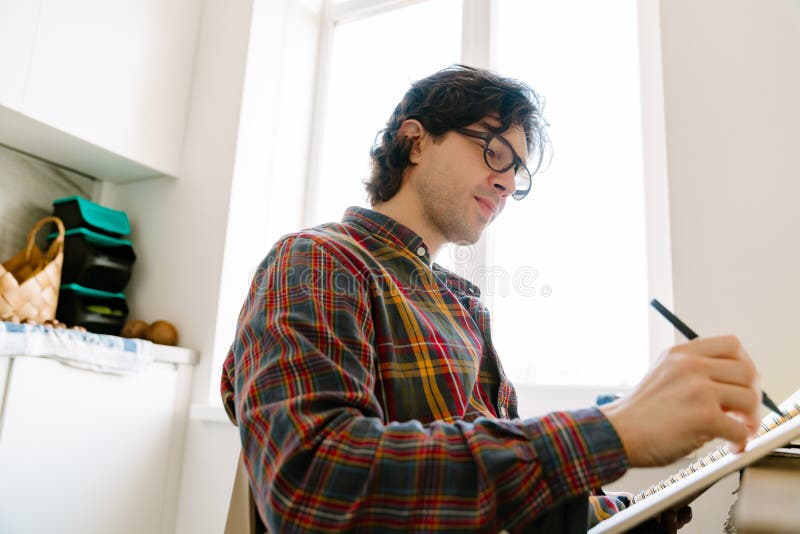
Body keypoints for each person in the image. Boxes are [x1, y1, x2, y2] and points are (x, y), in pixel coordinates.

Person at [221, 65, 762, 532]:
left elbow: (483, 494)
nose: (506, 183)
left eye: (516, 171)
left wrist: (621, 513)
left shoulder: (459, 304)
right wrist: (613, 431)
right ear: (415, 140)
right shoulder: (319, 261)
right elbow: (315, 485)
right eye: (493, 151)